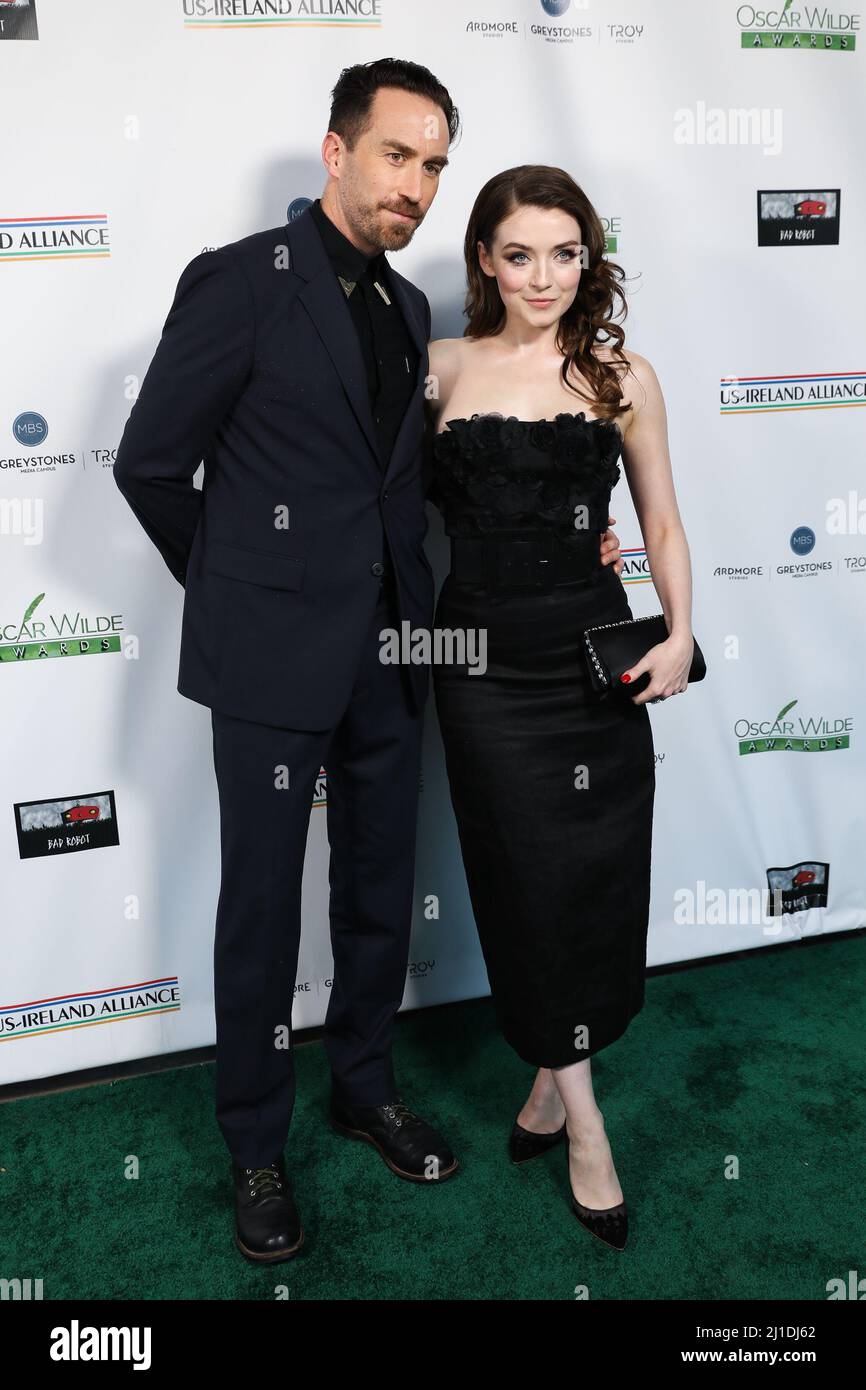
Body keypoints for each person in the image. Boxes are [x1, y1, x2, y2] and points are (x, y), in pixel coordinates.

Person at [112, 60, 624, 1265]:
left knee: (378, 892)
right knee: (258, 909)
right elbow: (149, 465)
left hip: (399, 652)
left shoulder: (405, 312)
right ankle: (254, 1142)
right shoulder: (239, 283)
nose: (417, 185)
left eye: (435, 164)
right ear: (335, 152)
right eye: (398, 155)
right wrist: (251, 599)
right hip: (273, 663)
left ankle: (364, 1085)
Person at [425, 165, 695, 1250]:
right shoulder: (436, 367)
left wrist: (677, 633)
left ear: (589, 258)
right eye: (520, 253)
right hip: (481, 669)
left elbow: (662, 522)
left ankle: (548, 1081)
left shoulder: (619, 372)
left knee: (586, 880)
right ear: (484, 261)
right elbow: (375, 513)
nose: (544, 276)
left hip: (592, 663)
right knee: (522, 878)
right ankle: (585, 1125)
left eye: (566, 252)